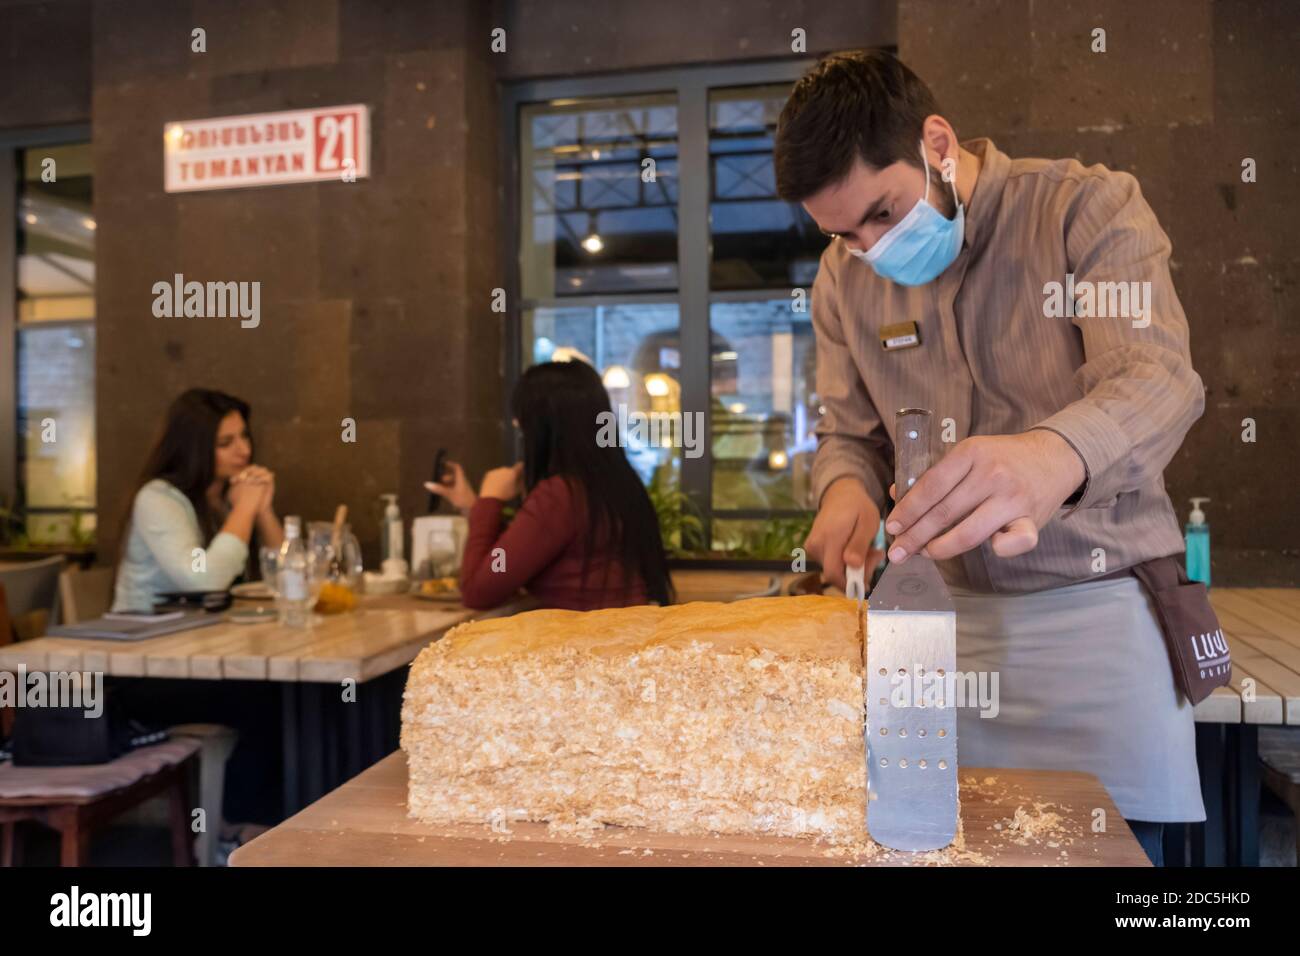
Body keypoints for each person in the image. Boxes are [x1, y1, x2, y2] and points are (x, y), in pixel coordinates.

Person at [775, 51, 1205, 865]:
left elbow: (1158, 379)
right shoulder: (843, 279)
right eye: (844, 234)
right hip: (933, 640)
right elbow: (847, 436)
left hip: (1097, 615)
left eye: (883, 214)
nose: (869, 248)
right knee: (935, 840)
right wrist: (843, 492)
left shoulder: (1085, 207)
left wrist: (1054, 456)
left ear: (937, 143)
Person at [426, 360, 674, 611]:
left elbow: (479, 591)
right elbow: (512, 557)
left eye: (522, 421)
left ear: (543, 426)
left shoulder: (560, 496)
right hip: (618, 639)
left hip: (582, 642)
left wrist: (490, 500)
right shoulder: (615, 485)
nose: (516, 425)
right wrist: (473, 507)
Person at [112, 388, 283, 612]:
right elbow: (203, 580)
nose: (244, 450)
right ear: (193, 449)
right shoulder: (157, 499)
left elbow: (291, 580)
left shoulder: (227, 494)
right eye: (225, 443)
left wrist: (263, 510)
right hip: (147, 637)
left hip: (207, 632)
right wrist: (245, 508)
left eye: (245, 436)